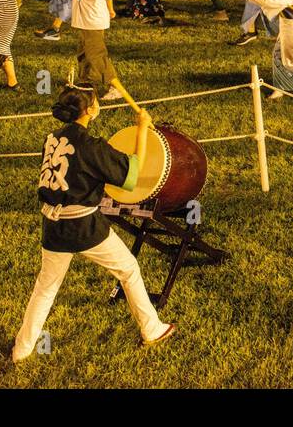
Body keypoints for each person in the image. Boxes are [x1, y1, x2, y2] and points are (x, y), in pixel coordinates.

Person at [12, 86, 176, 363]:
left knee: (46, 287)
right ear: (89, 110)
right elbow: (131, 174)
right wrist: (142, 129)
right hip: (83, 226)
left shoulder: (51, 138)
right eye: (96, 101)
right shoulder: (91, 146)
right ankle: (152, 329)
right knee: (129, 270)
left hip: (52, 224)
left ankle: (21, 350)